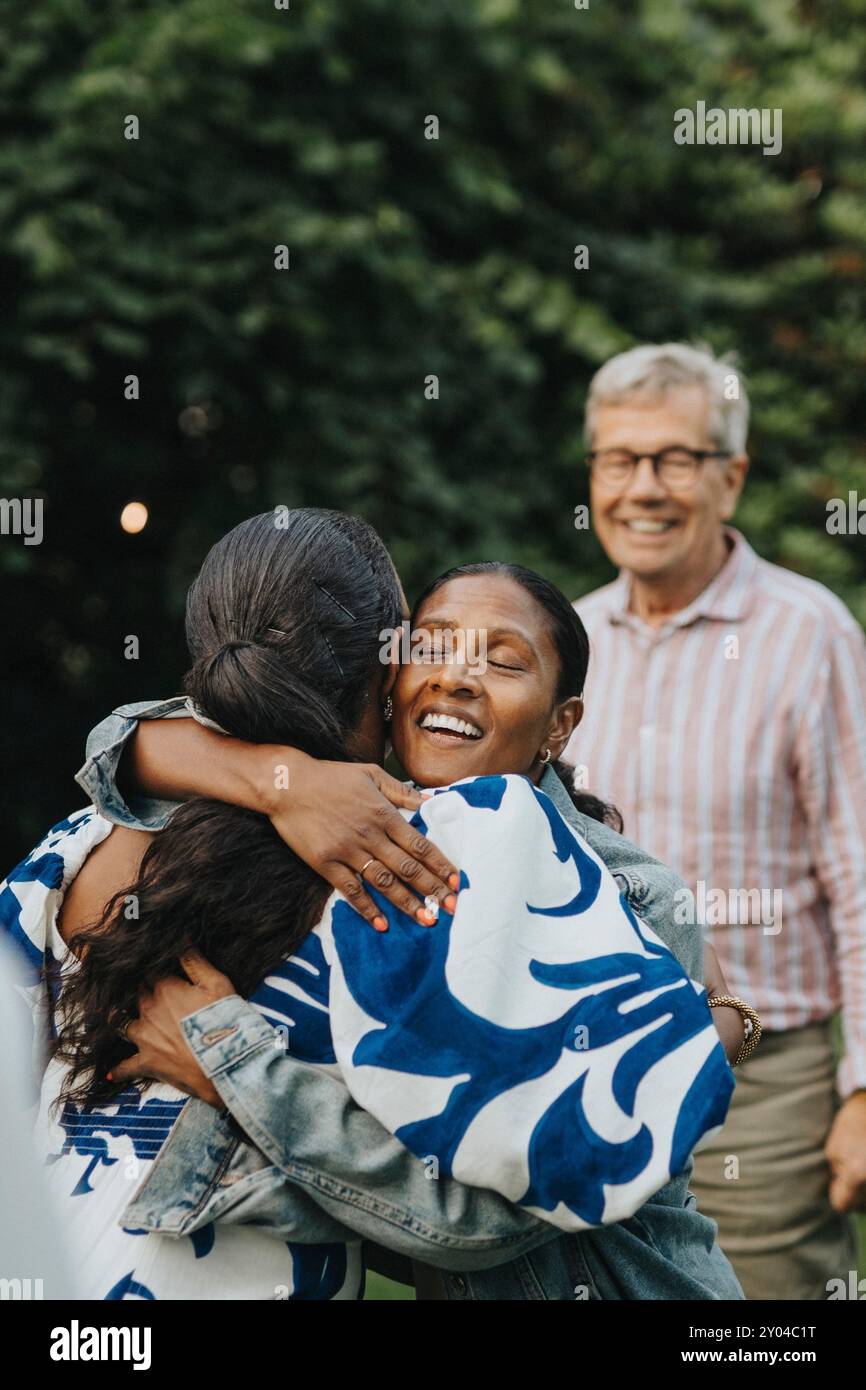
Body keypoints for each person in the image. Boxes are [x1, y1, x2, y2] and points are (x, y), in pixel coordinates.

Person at [35, 513, 745, 1299]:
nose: (457, 676)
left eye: (503, 662)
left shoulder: (618, 894)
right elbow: (122, 740)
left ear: (560, 724)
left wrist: (230, 1063)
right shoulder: (340, 841)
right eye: (430, 647)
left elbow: (489, 1213)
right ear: (385, 681)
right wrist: (285, 778)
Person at [562, 341, 866, 1300]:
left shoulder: (809, 633)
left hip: (764, 1097)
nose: (642, 488)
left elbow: (861, 872)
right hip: (581, 1074)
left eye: (675, 460)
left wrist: (865, 1088)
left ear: (730, 479)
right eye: (620, 460)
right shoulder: (562, 643)